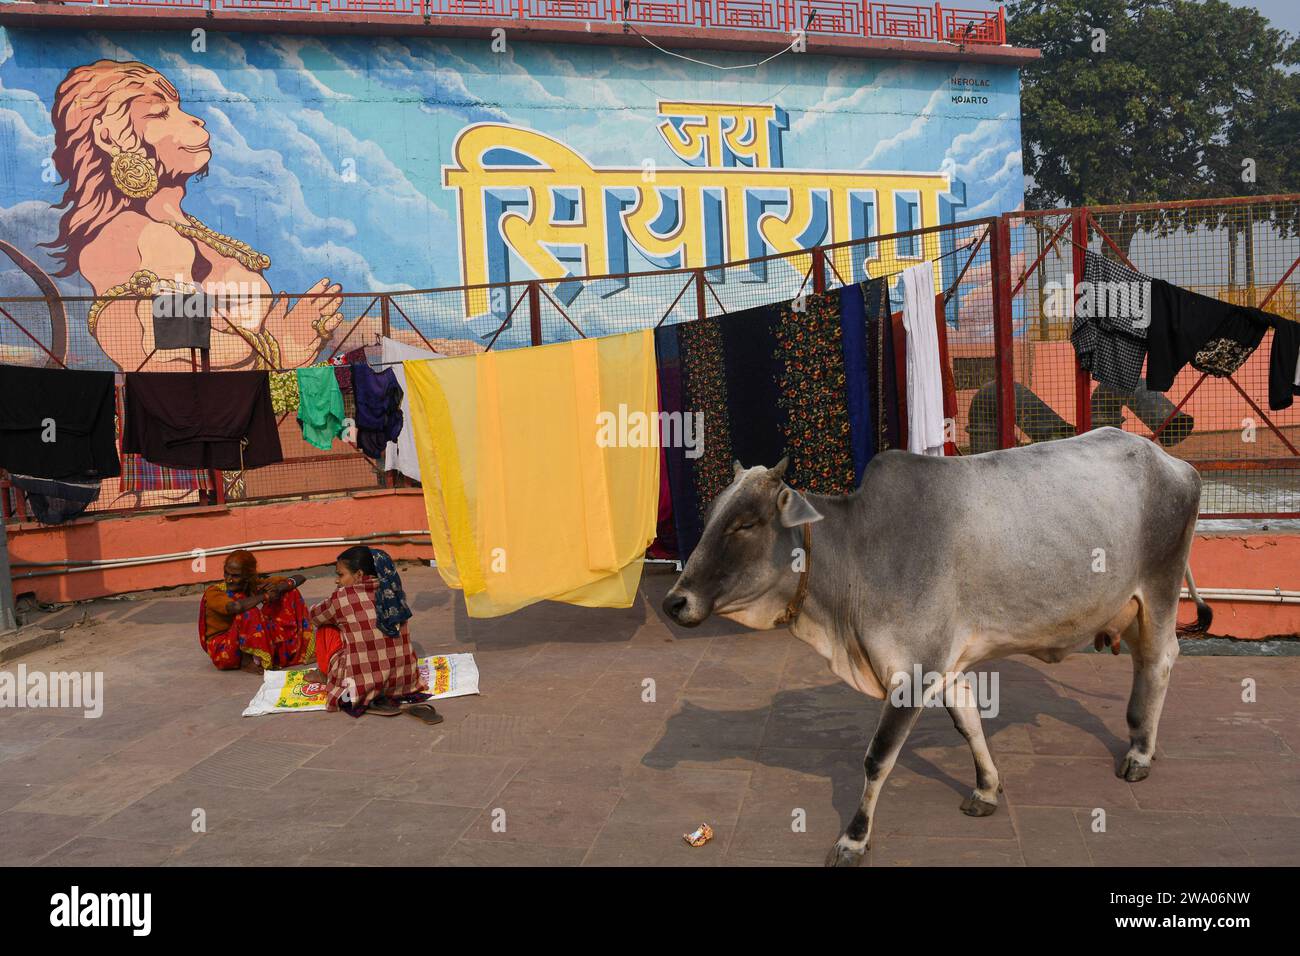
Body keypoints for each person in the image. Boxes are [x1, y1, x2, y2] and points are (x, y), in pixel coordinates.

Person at [305, 546, 440, 723]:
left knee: (326, 627)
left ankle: (325, 673)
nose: (337, 581)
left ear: (359, 575)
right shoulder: (393, 591)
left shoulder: (342, 597)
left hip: (360, 683)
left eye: (341, 575)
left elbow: (313, 616)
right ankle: (389, 694)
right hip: (403, 681)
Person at [198, 550, 312, 672]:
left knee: (289, 592)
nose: (229, 579)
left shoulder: (253, 585)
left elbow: (300, 578)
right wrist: (265, 596)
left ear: (248, 576)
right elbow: (236, 607)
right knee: (248, 612)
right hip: (223, 648)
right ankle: (246, 662)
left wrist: (277, 588)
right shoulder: (214, 592)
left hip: (241, 636)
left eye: (235, 576)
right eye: (226, 573)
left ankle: (295, 650)